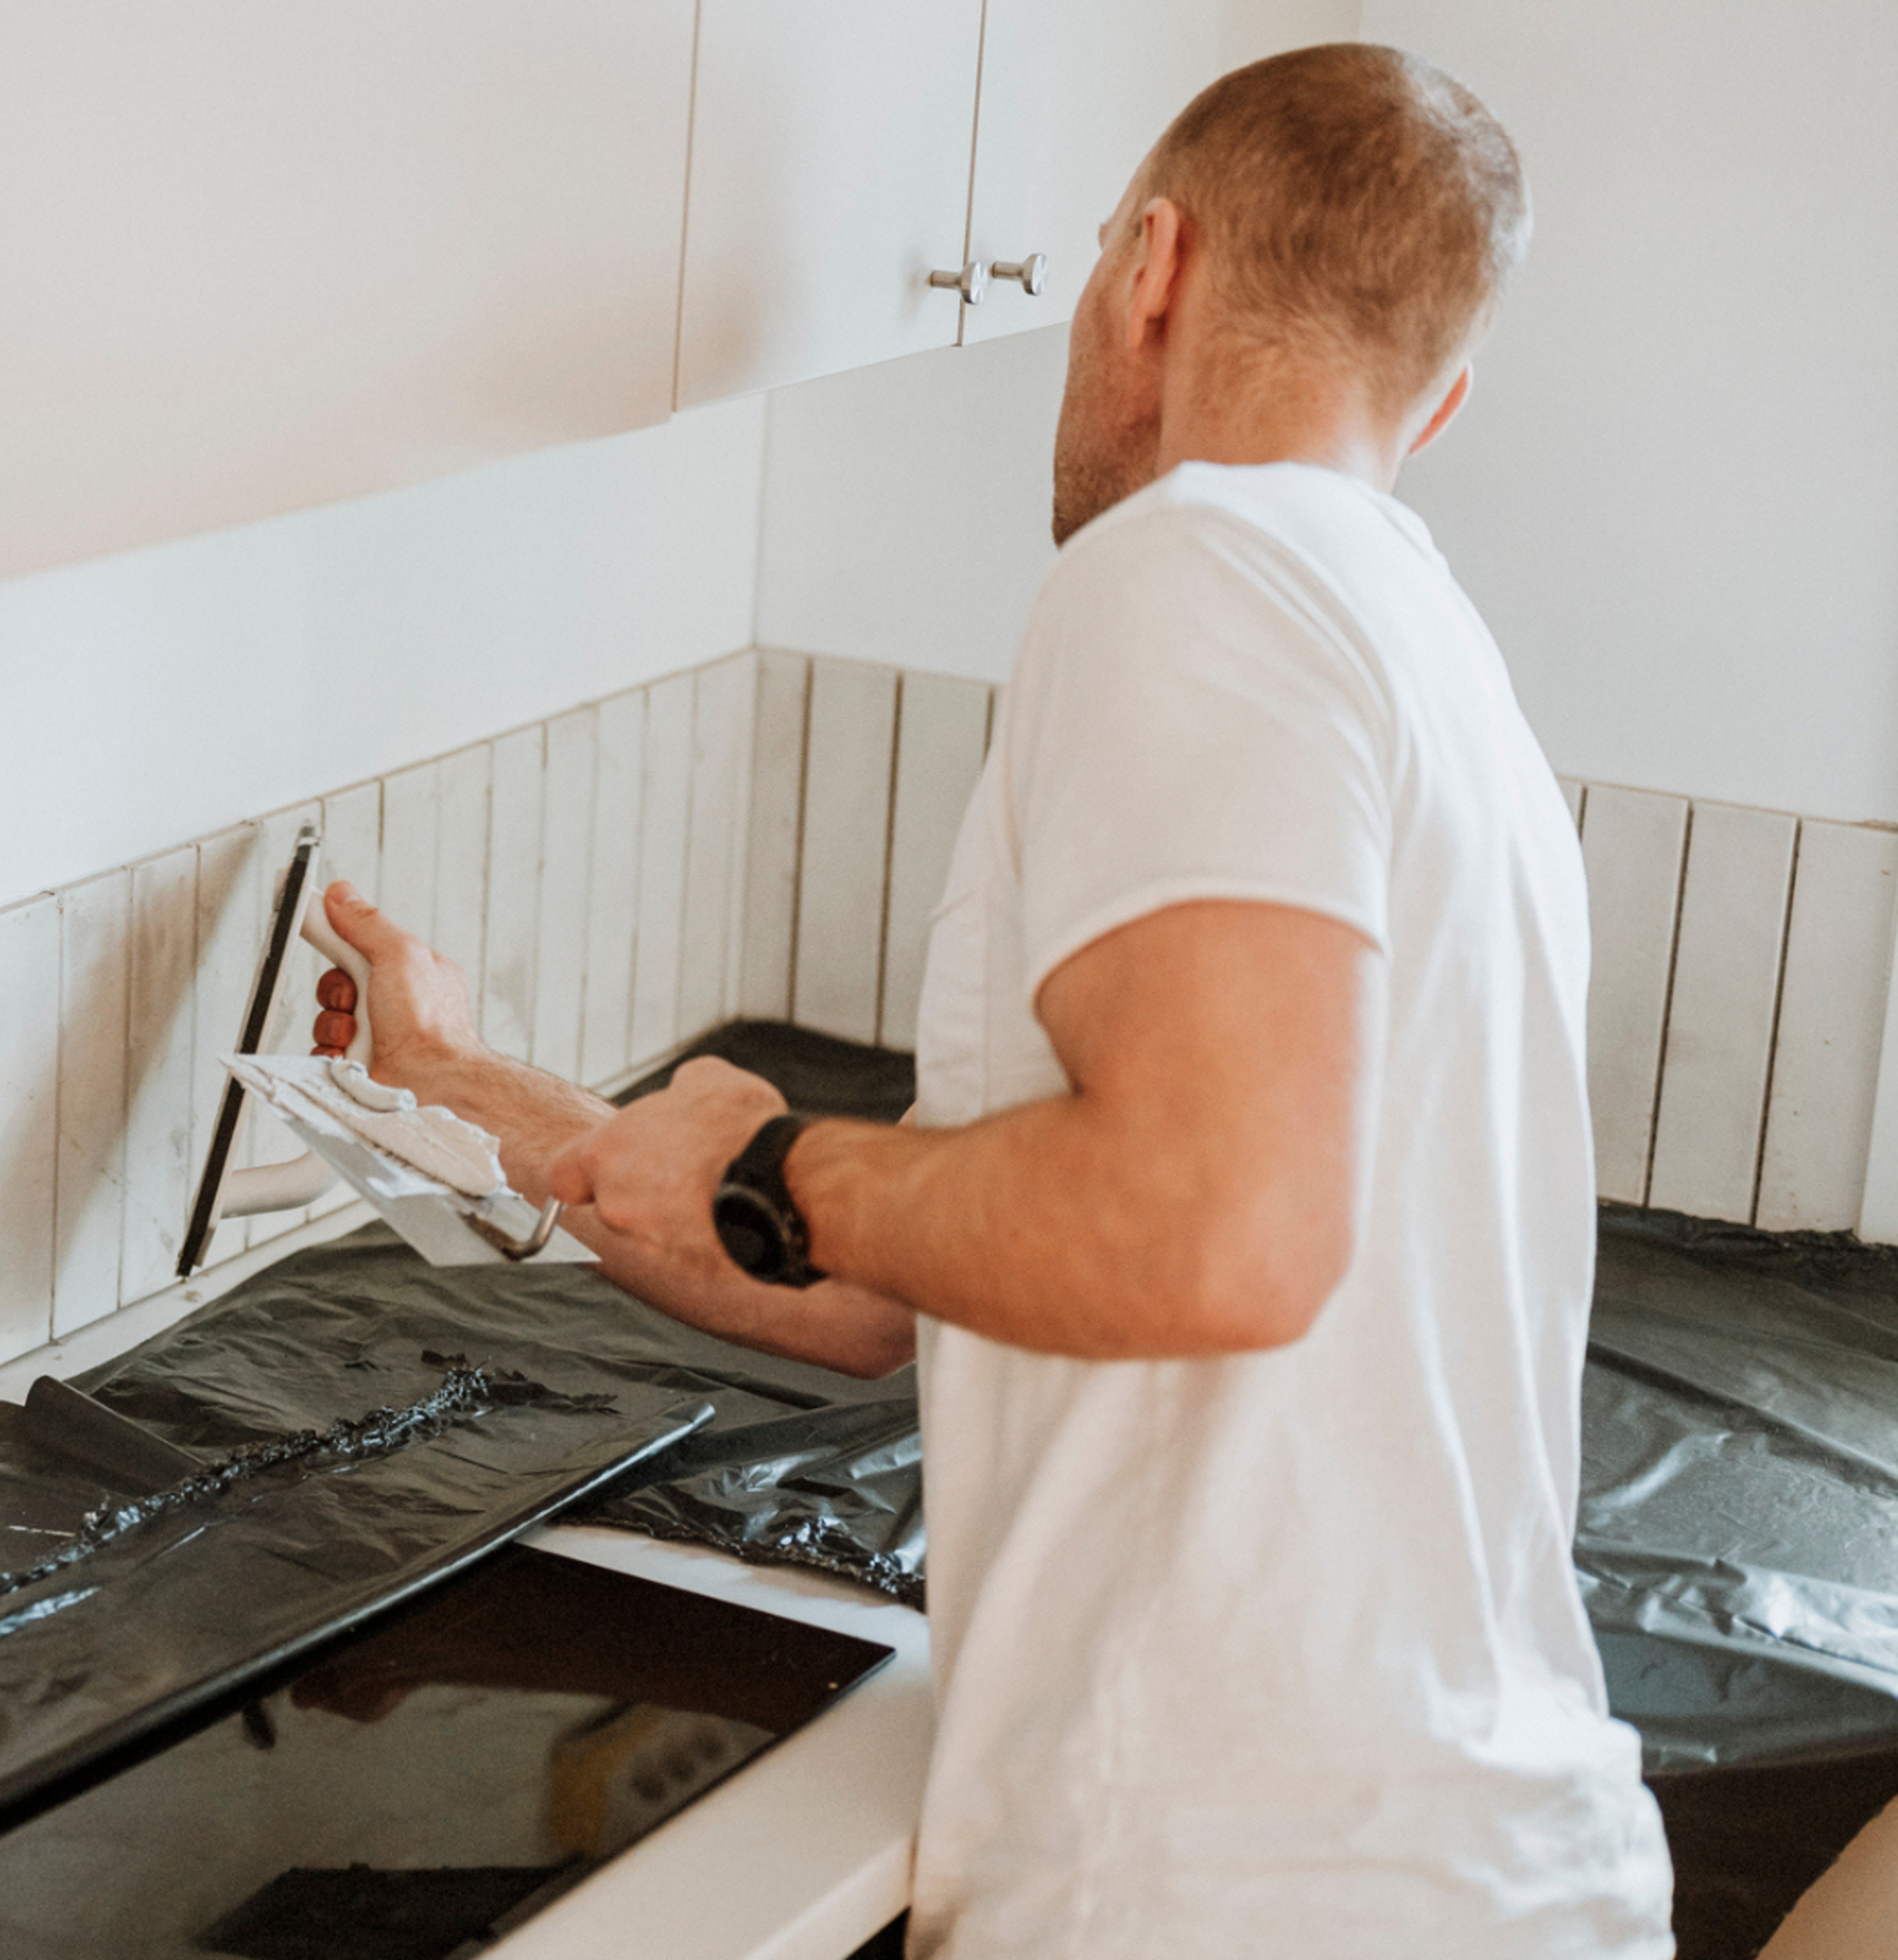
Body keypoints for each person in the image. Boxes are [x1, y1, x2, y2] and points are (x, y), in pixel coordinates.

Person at [309, 42, 1676, 1960]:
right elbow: (910, 1276)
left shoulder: (1195, 565)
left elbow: (1215, 1233)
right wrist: (472, 1093)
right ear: (1436, 402)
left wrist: (782, 1157)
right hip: (1450, 1868)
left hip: (1246, 1898)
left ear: (1152, 271)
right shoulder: (1437, 669)